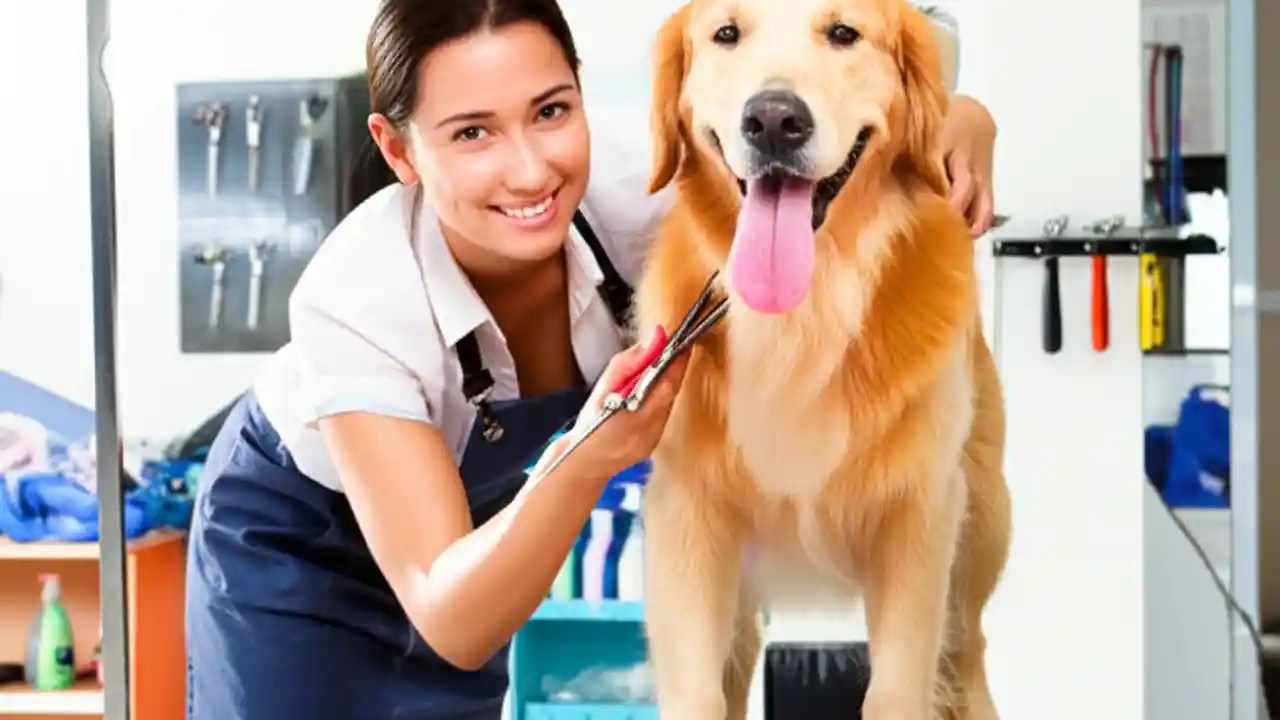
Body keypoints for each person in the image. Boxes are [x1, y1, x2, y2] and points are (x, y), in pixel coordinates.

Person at [183, 0, 999, 718]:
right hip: (299, 546)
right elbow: (453, 618)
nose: (532, 169)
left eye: (550, 111)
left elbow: (851, 66)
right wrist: (587, 457)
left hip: (480, 533)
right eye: (472, 133)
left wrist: (961, 115)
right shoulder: (355, 300)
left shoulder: (651, 182)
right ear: (398, 152)